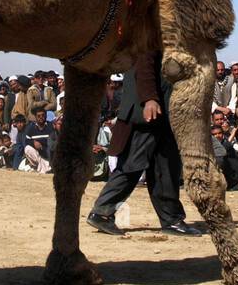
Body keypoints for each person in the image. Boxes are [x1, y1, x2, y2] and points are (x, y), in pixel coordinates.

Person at [86, 52, 201, 237]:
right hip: (146, 114)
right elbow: (144, 64)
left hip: (162, 115)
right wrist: (150, 99)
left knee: (165, 168)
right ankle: (102, 213)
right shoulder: (152, 29)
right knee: (132, 165)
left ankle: (171, 219)